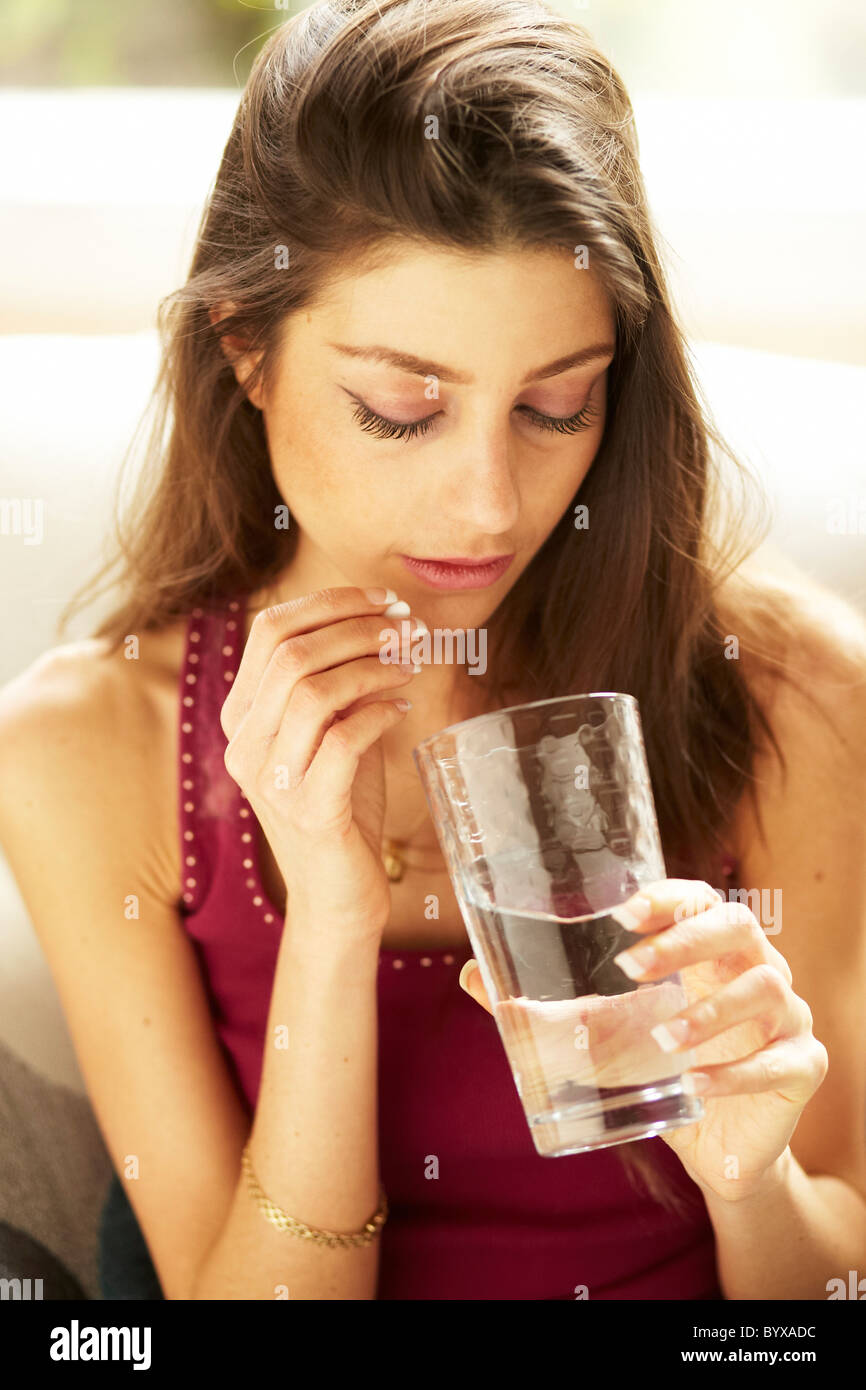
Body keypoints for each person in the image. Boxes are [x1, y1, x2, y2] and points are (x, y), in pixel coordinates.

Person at [1, 0, 864, 1302]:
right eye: (401, 408)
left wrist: (752, 1180)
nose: (489, 504)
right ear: (246, 349)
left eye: (555, 403)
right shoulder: (90, 746)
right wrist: (330, 920)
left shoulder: (794, 689)